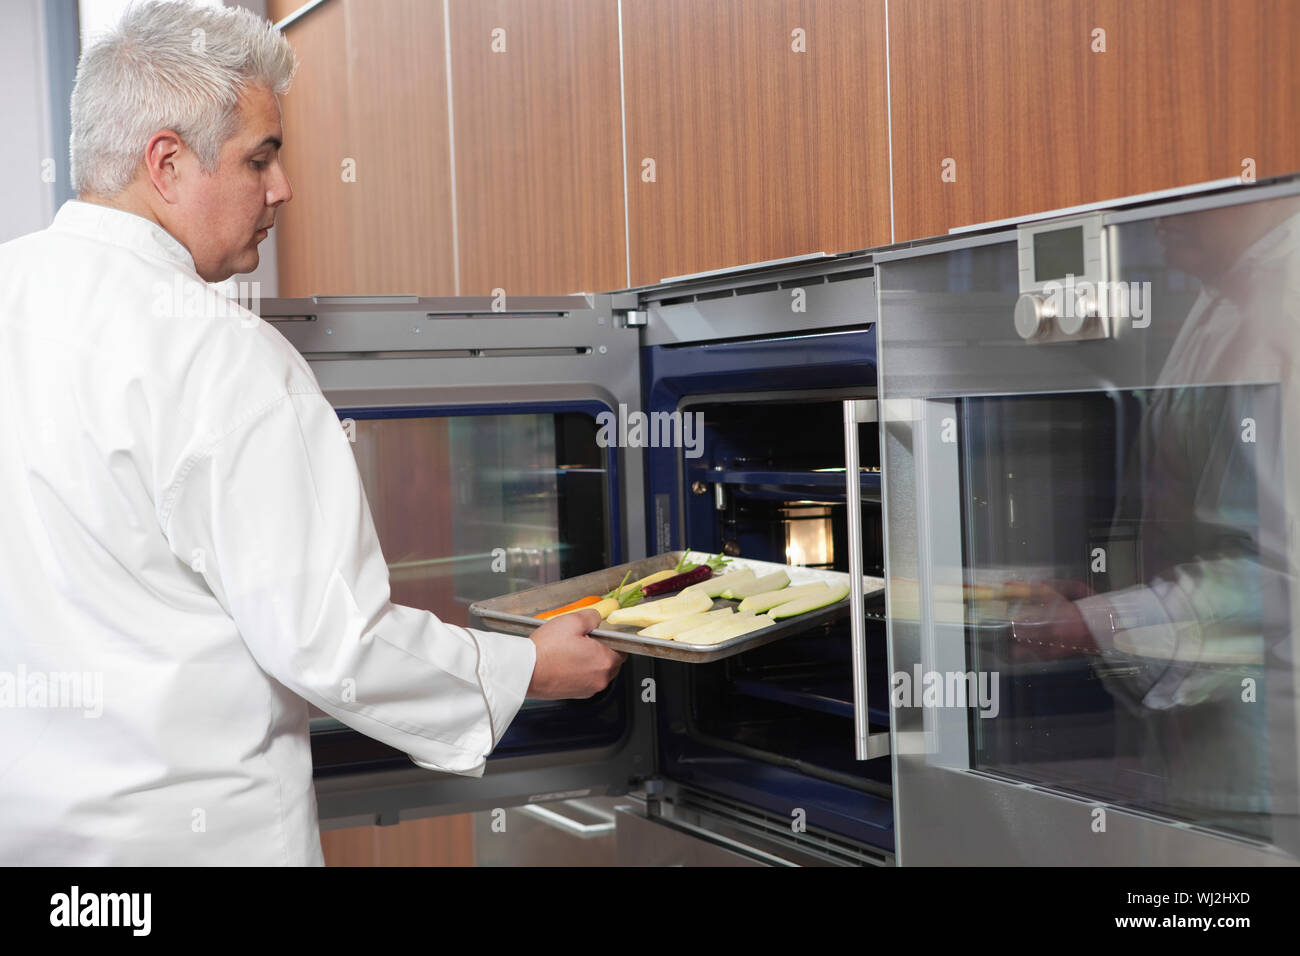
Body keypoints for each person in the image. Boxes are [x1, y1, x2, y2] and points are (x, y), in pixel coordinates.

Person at [0, 0, 623, 865]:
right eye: (260, 157)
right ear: (168, 163)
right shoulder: (216, 351)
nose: (283, 186)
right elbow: (336, 644)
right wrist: (533, 669)